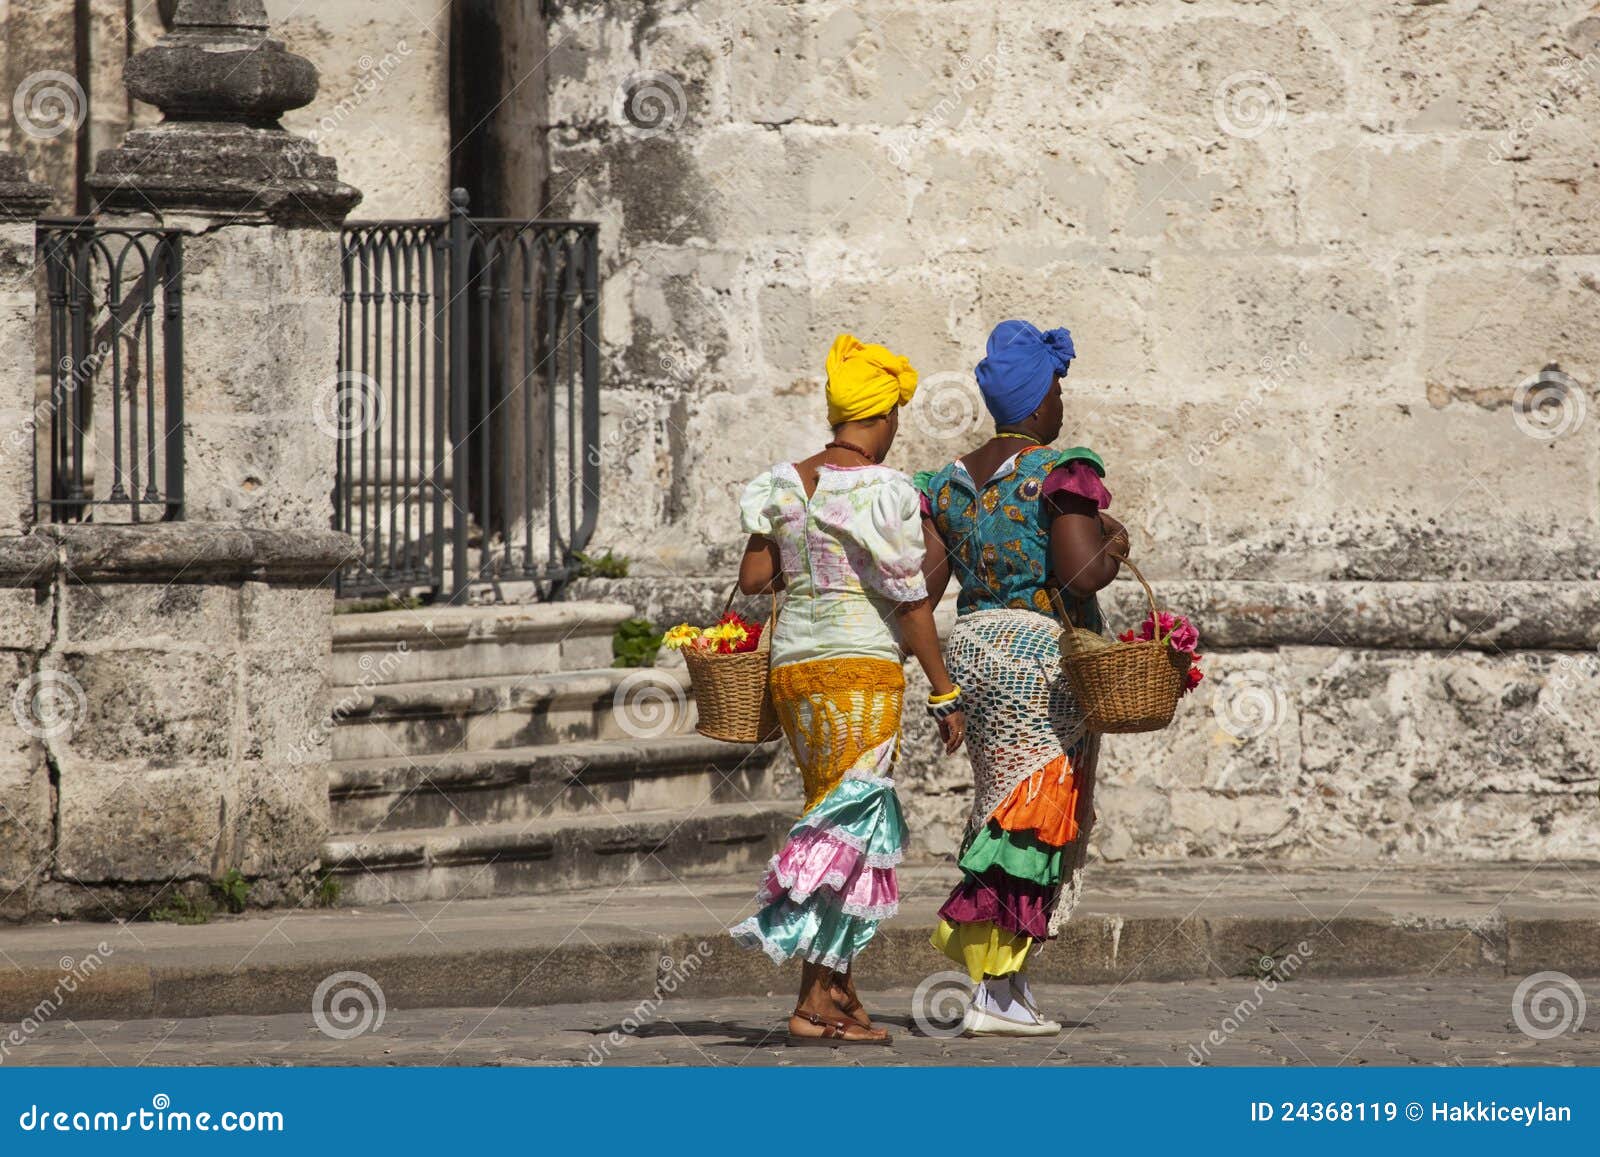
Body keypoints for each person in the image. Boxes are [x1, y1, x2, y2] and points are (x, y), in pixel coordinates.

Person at [729, 332, 966, 1046]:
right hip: (860, 676)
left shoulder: (787, 480)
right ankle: (811, 1001)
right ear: (884, 416)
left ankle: (838, 988)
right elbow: (910, 601)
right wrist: (944, 690)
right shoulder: (884, 488)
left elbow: (751, 581)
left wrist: (810, 553)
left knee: (836, 824)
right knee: (849, 829)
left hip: (795, 676)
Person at [917, 319, 1128, 1037]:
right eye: (1058, 389)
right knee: (1038, 812)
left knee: (1001, 806)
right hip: (1039, 662)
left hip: (974, 650)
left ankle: (998, 981)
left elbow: (927, 583)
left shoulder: (951, 480)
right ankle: (998, 990)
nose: (1062, 403)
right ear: (1039, 401)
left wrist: (940, 678)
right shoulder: (1061, 472)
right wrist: (1113, 540)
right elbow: (1077, 571)